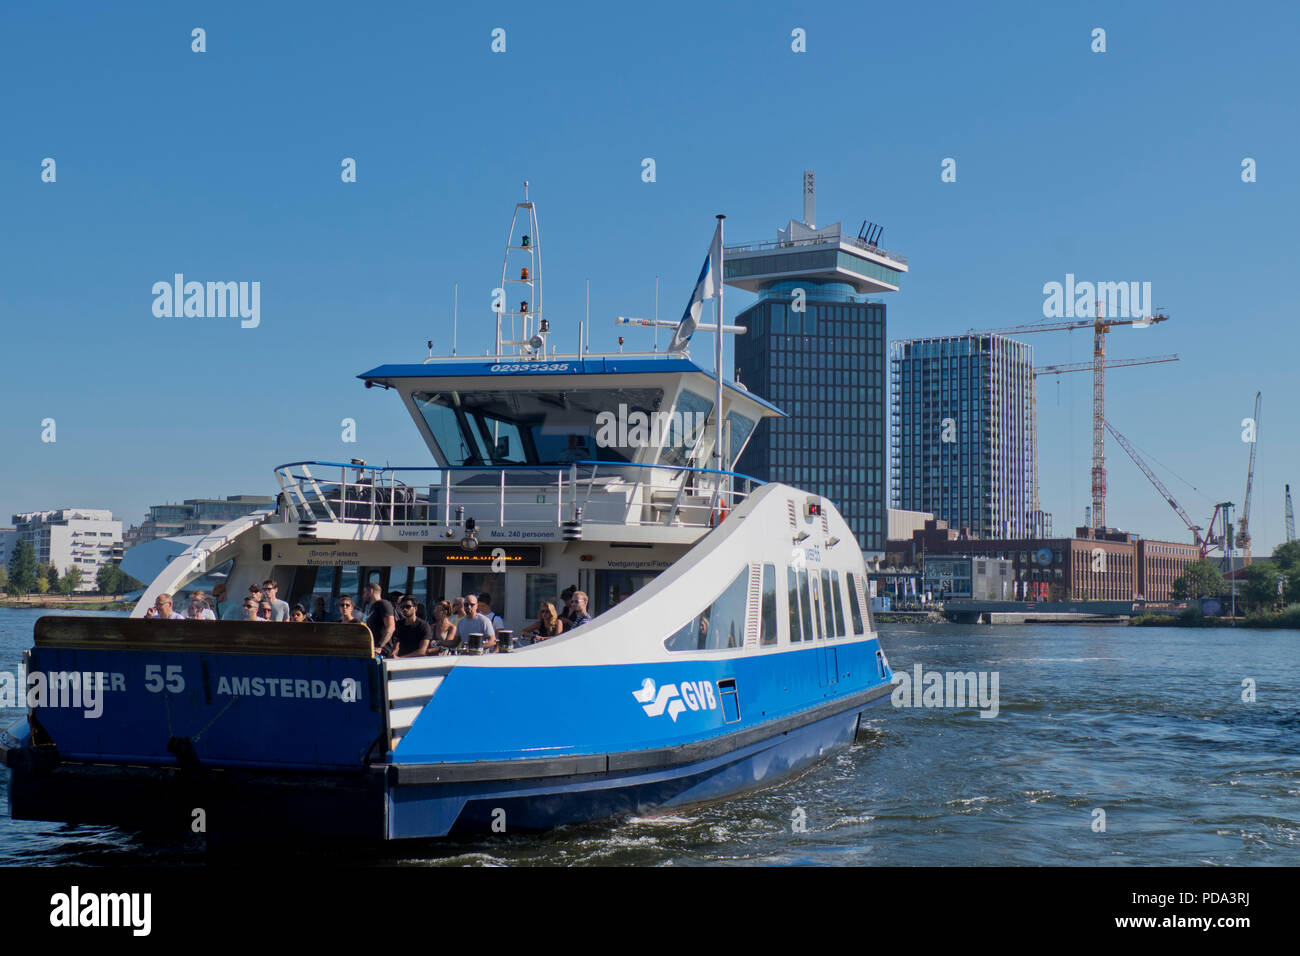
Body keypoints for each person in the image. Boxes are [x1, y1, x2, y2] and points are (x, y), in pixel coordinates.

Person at [364, 581, 396, 654]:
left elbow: (391, 627)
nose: (363, 596)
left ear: (371, 591)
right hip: (372, 650)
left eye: (365, 592)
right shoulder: (373, 607)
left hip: (382, 652)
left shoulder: (384, 604)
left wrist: (380, 646)